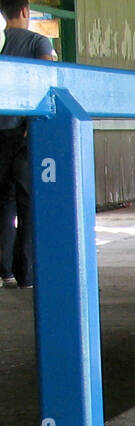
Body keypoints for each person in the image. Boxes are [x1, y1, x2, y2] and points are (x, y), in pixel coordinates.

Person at [0, 0, 57, 291]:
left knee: (3, 203)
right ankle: (26, 274)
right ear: (25, 11)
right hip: (24, 134)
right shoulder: (39, 41)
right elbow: (48, 85)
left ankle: (4, 270)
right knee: (27, 204)